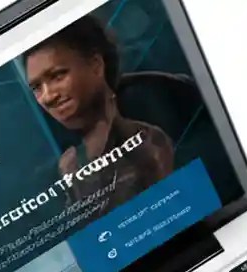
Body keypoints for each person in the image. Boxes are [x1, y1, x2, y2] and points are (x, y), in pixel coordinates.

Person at [23, 15, 175, 210]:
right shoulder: (64, 170)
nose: (47, 96)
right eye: (36, 87)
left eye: (57, 76)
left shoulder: (153, 138)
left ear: (96, 64)